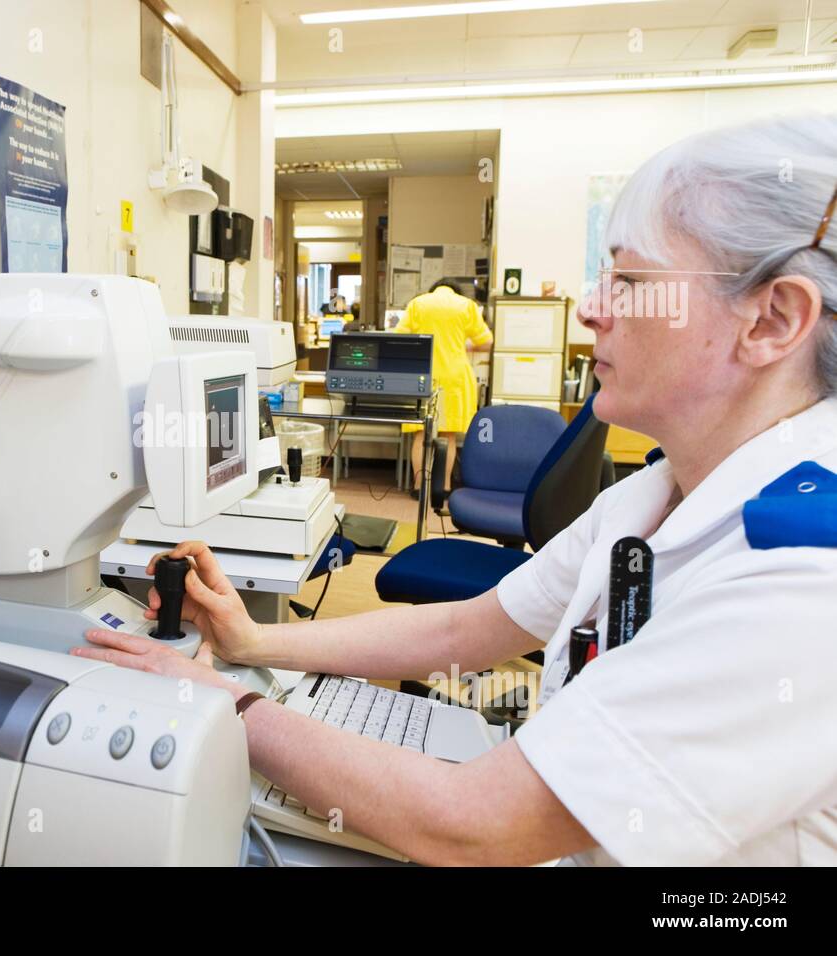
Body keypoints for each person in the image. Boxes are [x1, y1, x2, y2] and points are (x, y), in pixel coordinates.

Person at [75, 114, 837, 865]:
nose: (594, 308)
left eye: (633, 284)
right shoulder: (653, 495)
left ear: (773, 321)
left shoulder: (804, 581)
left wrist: (226, 704)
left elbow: (475, 823)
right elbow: (460, 633)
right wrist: (253, 642)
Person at [396, 278, 493, 498]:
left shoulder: (418, 304)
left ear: (433, 289)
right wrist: (465, 344)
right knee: (448, 434)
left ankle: (419, 487)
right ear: (456, 291)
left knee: (421, 432)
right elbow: (487, 341)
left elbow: (399, 337)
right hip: (455, 377)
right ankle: (446, 487)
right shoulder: (466, 305)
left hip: (423, 374)